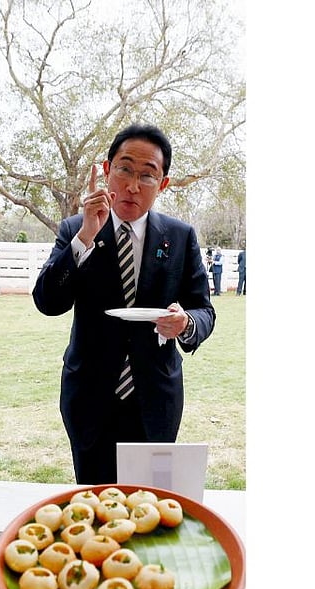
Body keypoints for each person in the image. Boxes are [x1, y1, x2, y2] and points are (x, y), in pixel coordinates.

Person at [33, 123, 215, 484]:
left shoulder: (180, 237)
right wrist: (86, 235)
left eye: (148, 175)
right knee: (94, 503)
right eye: (124, 169)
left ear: (162, 184)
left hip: (155, 397)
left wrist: (186, 323)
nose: (133, 185)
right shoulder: (76, 229)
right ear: (106, 170)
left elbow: (204, 310)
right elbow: (48, 301)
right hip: (90, 394)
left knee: (151, 505)